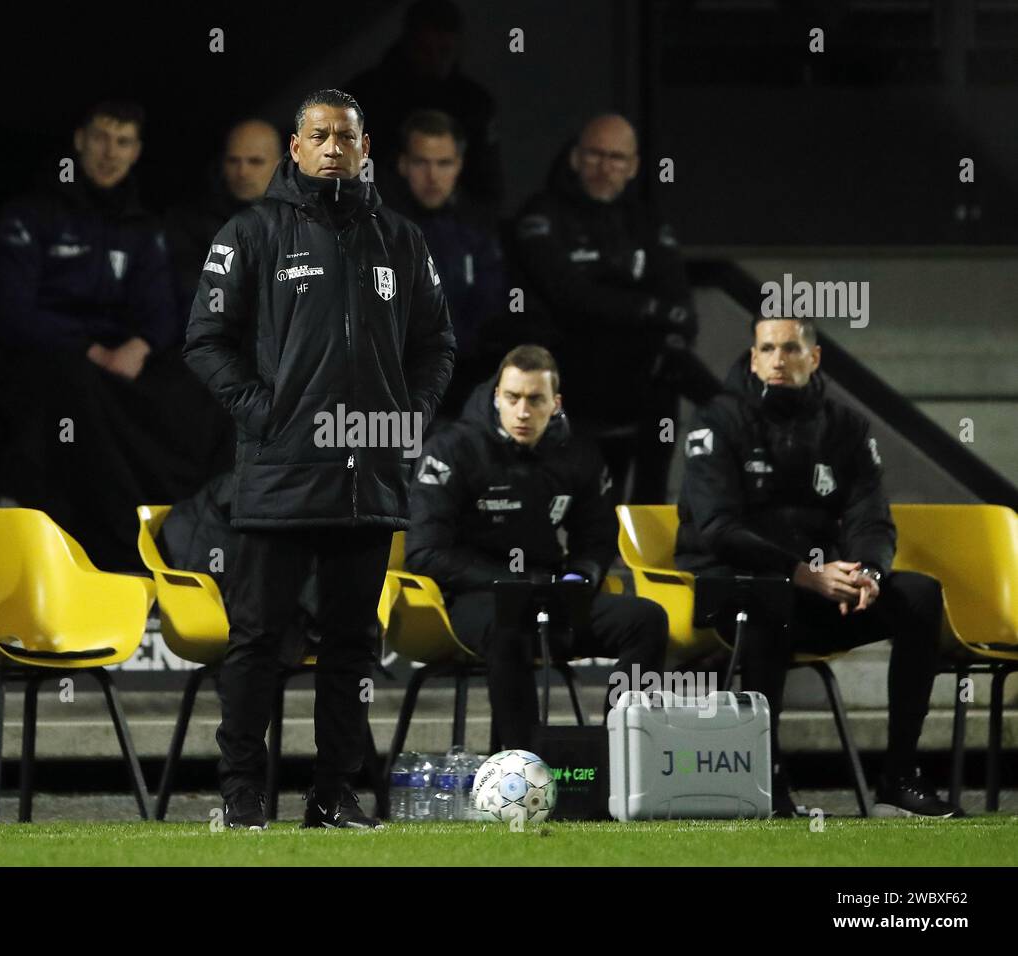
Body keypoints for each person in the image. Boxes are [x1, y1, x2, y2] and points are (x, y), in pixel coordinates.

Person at [183, 89, 456, 829]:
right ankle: (243, 792)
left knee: (351, 647)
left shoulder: (400, 239)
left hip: (369, 479)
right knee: (257, 641)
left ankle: (334, 793)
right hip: (278, 476)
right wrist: (267, 416)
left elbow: (437, 345)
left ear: (366, 150)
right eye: (318, 137)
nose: (333, 148)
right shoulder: (252, 231)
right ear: (294, 149)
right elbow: (205, 341)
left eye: (346, 137)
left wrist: (410, 415)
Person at [676, 314, 962, 818]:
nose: (776, 361)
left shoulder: (846, 428)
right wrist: (804, 573)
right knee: (768, 601)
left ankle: (899, 776)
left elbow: (871, 519)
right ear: (753, 355)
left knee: (918, 595)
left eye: (789, 349)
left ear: (814, 357)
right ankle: (766, 777)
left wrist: (869, 573)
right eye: (765, 349)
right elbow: (719, 529)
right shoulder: (716, 421)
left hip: (820, 591)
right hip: (737, 588)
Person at [0, 100, 232, 568]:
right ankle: (99, 541)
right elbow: (11, 311)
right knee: (70, 383)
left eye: (123, 142)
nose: (109, 152)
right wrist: (89, 349)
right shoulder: (32, 214)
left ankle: (188, 533)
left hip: (118, 360)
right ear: (79, 141)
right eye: (100, 138)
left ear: (137, 151)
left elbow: (163, 310)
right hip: (51, 356)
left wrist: (139, 346)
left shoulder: (144, 227)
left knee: (200, 382)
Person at [406, 345, 668, 750]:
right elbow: (424, 552)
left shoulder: (577, 453)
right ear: (497, 397)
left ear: (555, 403)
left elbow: (596, 538)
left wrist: (580, 577)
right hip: (475, 598)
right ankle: (524, 771)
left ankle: (621, 756)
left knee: (646, 619)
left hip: (552, 590)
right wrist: (513, 582)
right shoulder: (452, 449)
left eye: (535, 399)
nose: (523, 411)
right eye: (512, 398)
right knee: (508, 630)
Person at [510, 113, 720, 503]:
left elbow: (682, 310)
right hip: (570, 366)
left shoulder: (644, 219)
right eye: (594, 155)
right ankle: (736, 417)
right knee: (663, 358)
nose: (605, 168)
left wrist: (632, 308)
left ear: (633, 167)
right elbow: (572, 300)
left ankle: (650, 515)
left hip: (639, 372)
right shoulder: (543, 213)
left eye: (616, 159)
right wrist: (647, 308)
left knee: (666, 360)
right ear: (574, 158)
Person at [394, 109, 505, 419]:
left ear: (459, 165)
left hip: (467, 380)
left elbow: (491, 307)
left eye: (443, 163)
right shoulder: (375, 227)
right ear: (403, 164)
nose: (433, 176)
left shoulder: (479, 228)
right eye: (421, 162)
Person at [346, 0, 502, 212]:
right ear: (409, 44)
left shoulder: (474, 105)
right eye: (425, 50)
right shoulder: (368, 96)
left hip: (454, 225)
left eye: (444, 51)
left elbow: (487, 188)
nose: (435, 60)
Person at [164, 119, 283, 314]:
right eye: (233, 161)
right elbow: (194, 294)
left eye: (255, 162)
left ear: (278, 166)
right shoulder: (189, 221)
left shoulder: (304, 220)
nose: (243, 172)